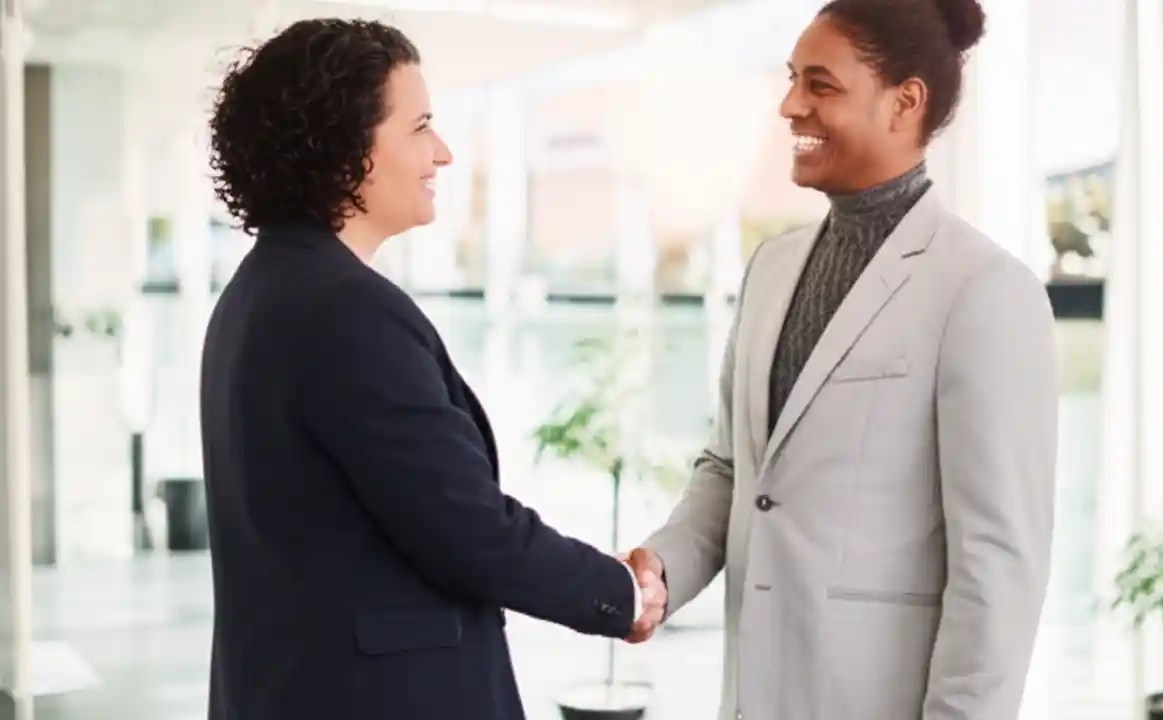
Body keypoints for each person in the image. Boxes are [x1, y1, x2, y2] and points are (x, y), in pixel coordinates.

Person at [201, 19, 664, 720]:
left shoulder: (261, 289)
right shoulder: (345, 310)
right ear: (346, 147)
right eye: (420, 127)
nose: (442, 153)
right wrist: (618, 593)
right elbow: (465, 528)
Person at [624, 1, 1057, 718]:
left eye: (820, 85)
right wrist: (665, 566)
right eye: (794, 80)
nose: (791, 105)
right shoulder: (771, 267)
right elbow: (732, 470)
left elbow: (998, 566)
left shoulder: (986, 292)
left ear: (904, 102)